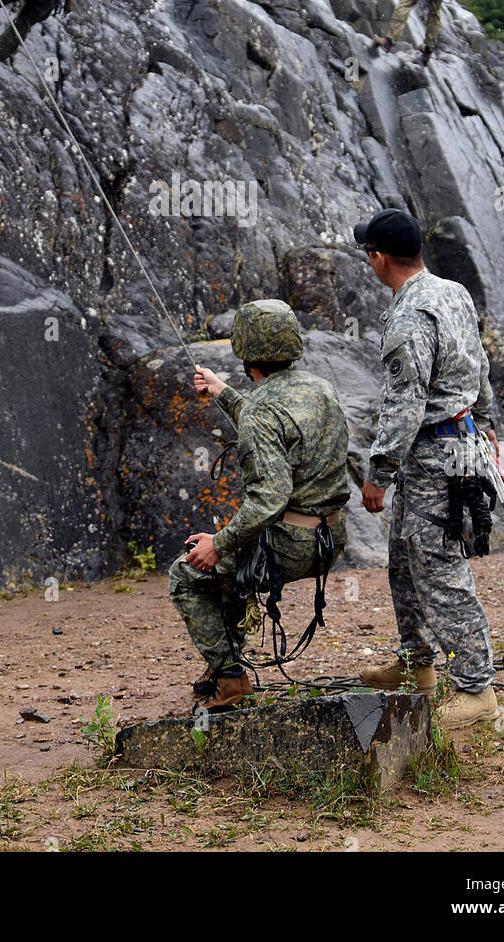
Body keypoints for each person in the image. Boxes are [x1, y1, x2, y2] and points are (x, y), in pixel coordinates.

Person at [354, 208, 500, 730]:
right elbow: (479, 366)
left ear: (378, 257)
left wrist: (379, 472)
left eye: (366, 252)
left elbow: (404, 403)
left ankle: (478, 689)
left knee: (439, 568)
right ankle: (417, 666)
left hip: (433, 456)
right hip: (454, 446)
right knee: (403, 560)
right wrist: (487, 428)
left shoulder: (409, 315)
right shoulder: (453, 292)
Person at [168, 299, 351, 712]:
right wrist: (220, 390)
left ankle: (230, 678)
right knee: (226, 565)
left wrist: (221, 542)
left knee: (187, 573)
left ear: (245, 353)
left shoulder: (261, 411)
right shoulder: (319, 389)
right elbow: (272, 419)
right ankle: (225, 667)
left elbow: (269, 497)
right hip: (330, 538)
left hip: (292, 545)